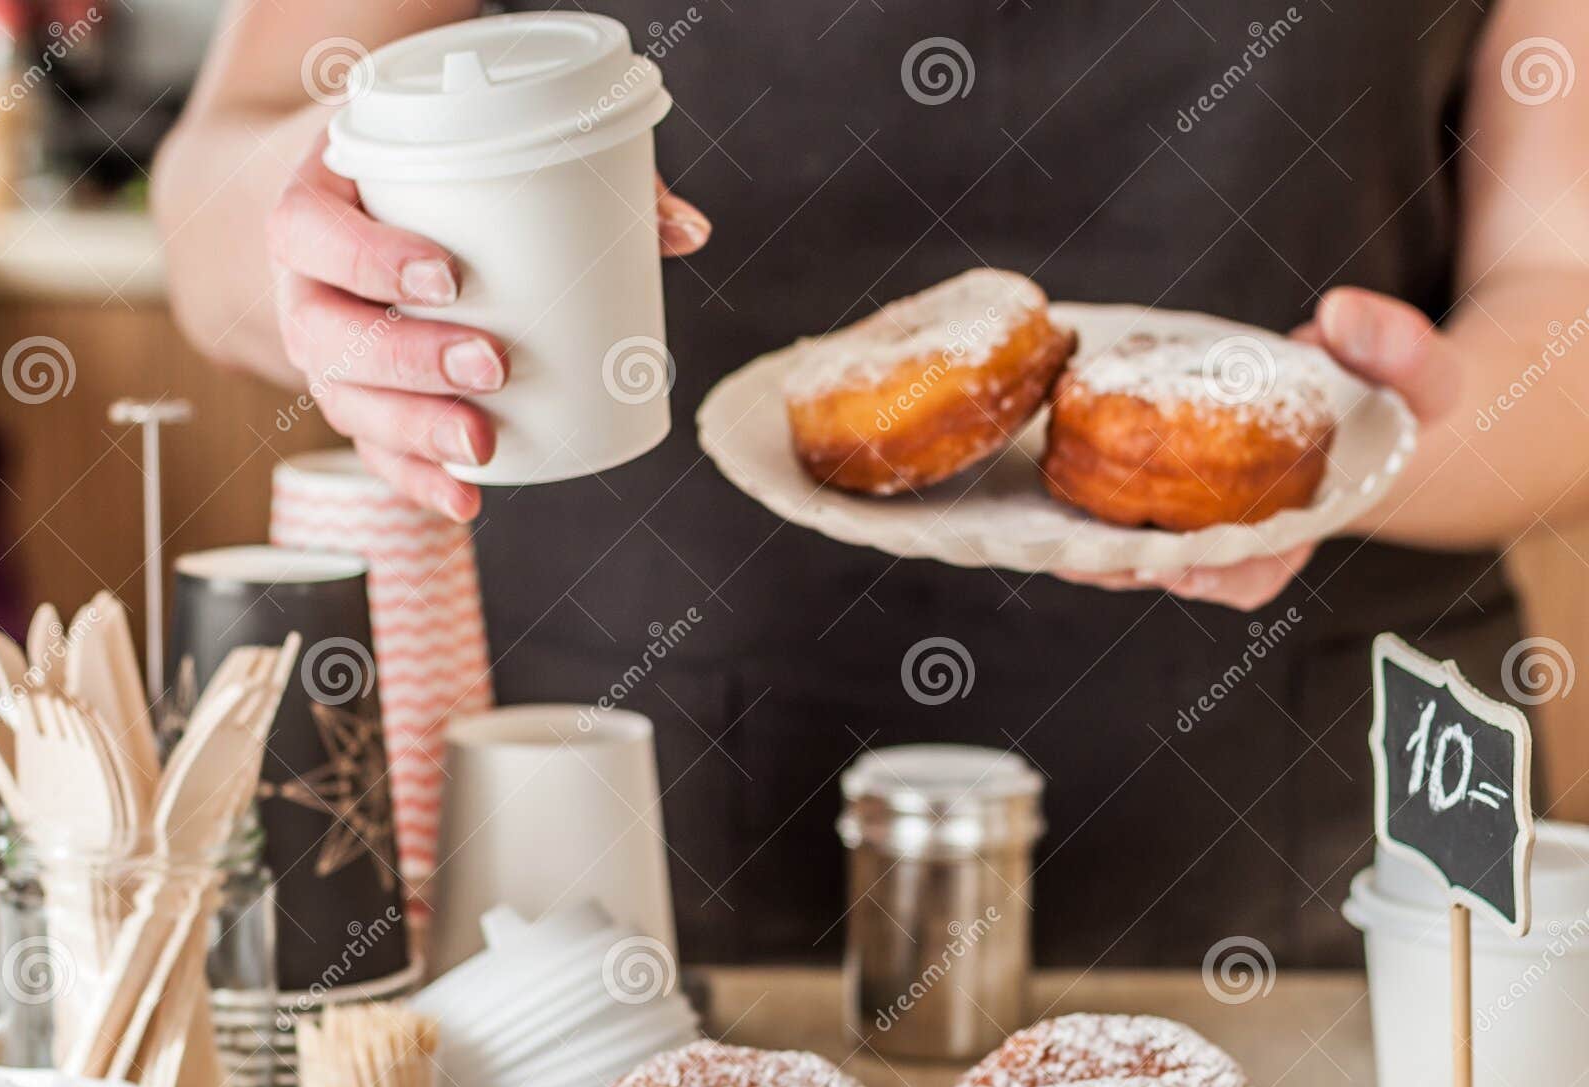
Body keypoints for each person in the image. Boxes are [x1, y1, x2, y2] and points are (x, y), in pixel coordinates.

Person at [154, 1, 1589, 969]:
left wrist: (1405, 436)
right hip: (621, 813)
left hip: (1320, 850)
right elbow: (231, 166)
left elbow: (1564, 283)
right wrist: (331, 234)